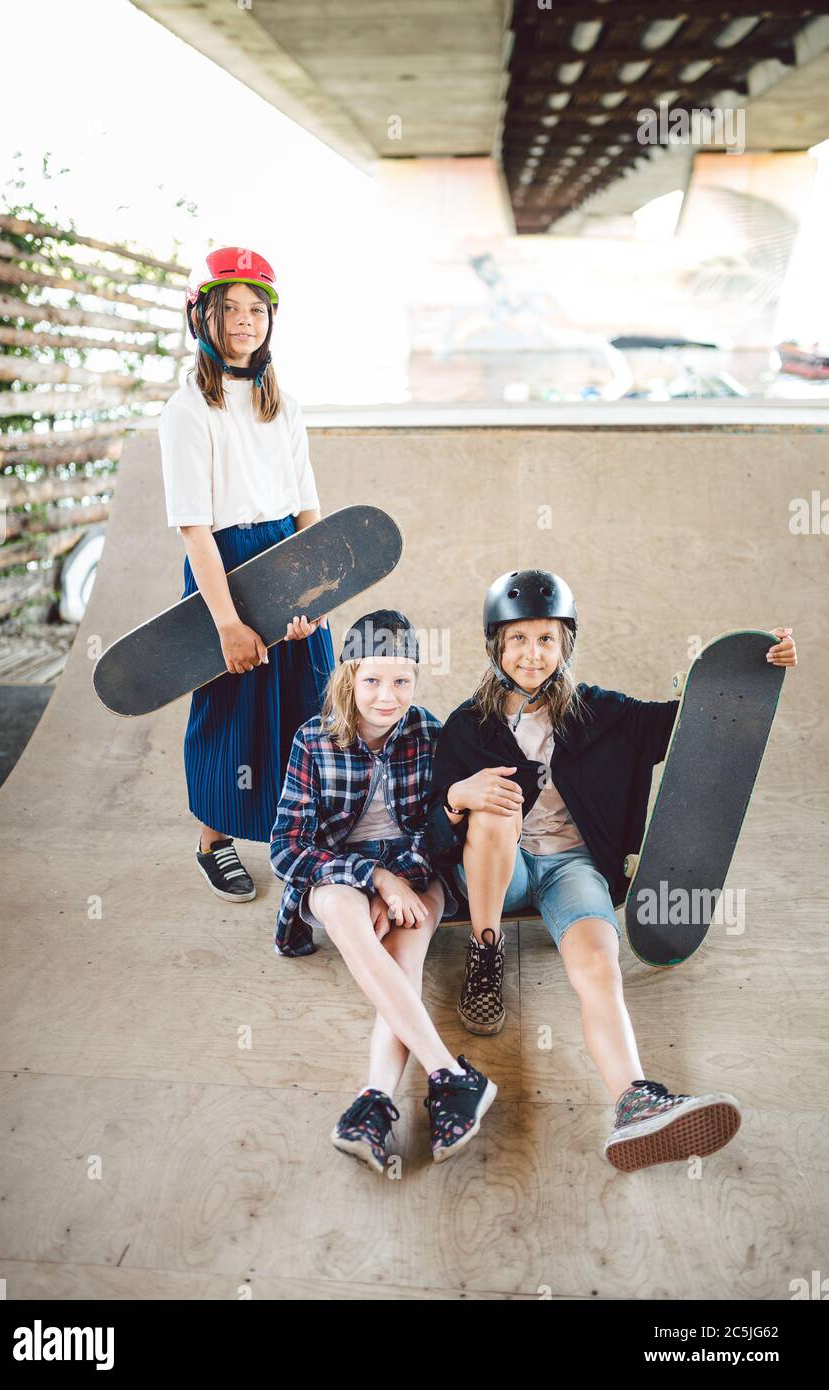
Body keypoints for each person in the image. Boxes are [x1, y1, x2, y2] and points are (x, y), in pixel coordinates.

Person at [427, 569, 797, 1172]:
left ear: (565, 645)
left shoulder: (599, 712)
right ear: (496, 645)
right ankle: (485, 953)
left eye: (546, 639)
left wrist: (755, 667)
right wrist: (458, 797)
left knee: (600, 965)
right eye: (518, 639)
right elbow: (429, 833)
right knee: (495, 808)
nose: (532, 653)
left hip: (572, 866)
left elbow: (688, 722)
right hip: (502, 874)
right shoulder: (467, 726)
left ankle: (635, 1101)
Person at [269, 610, 497, 1173]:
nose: (386, 696)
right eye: (372, 680)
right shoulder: (313, 739)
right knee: (345, 912)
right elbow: (286, 849)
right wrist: (373, 878)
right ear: (349, 677)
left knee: (404, 963)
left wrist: (402, 878)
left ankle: (373, 1105)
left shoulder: (428, 732)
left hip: (419, 873)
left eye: (401, 680)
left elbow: (440, 829)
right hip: (339, 874)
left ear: (416, 680)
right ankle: (449, 1074)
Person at [158, 246, 334, 900]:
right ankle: (213, 840)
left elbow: (308, 506)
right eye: (228, 308)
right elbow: (194, 528)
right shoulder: (186, 412)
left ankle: (306, 835)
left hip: (288, 558)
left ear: (270, 321)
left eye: (256, 309)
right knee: (230, 708)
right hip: (224, 567)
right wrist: (228, 622)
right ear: (200, 315)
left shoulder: (281, 405)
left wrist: (320, 588)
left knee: (309, 703)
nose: (243, 320)